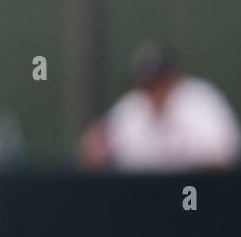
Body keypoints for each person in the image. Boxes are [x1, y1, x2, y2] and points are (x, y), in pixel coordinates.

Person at [81, 42, 239, 172]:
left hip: (192, 193)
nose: (153, 91)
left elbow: (221, 154)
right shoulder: (133, 105)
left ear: (173, 77)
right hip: (142, 195)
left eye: (158, 82)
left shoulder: (199, 101)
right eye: (146, 84)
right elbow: (94, 146)